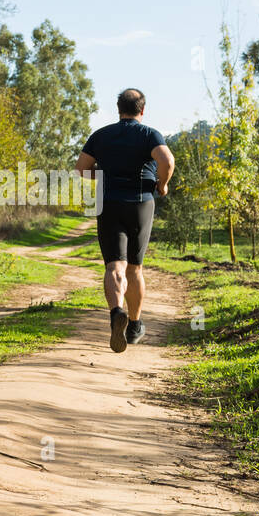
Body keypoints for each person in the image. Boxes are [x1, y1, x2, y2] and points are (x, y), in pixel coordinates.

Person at [74, 88, 175, 353]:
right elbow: (167, 160)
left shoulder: (101, 135)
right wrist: (162, 185)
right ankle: (133, 324)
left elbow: (81, 169)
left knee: (114, 267)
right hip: (141, 203)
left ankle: (116, 310)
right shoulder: (149, 134)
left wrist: (105, 178)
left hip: (108, 204)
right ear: (142, 110)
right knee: (135, 269)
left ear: (118, 109)